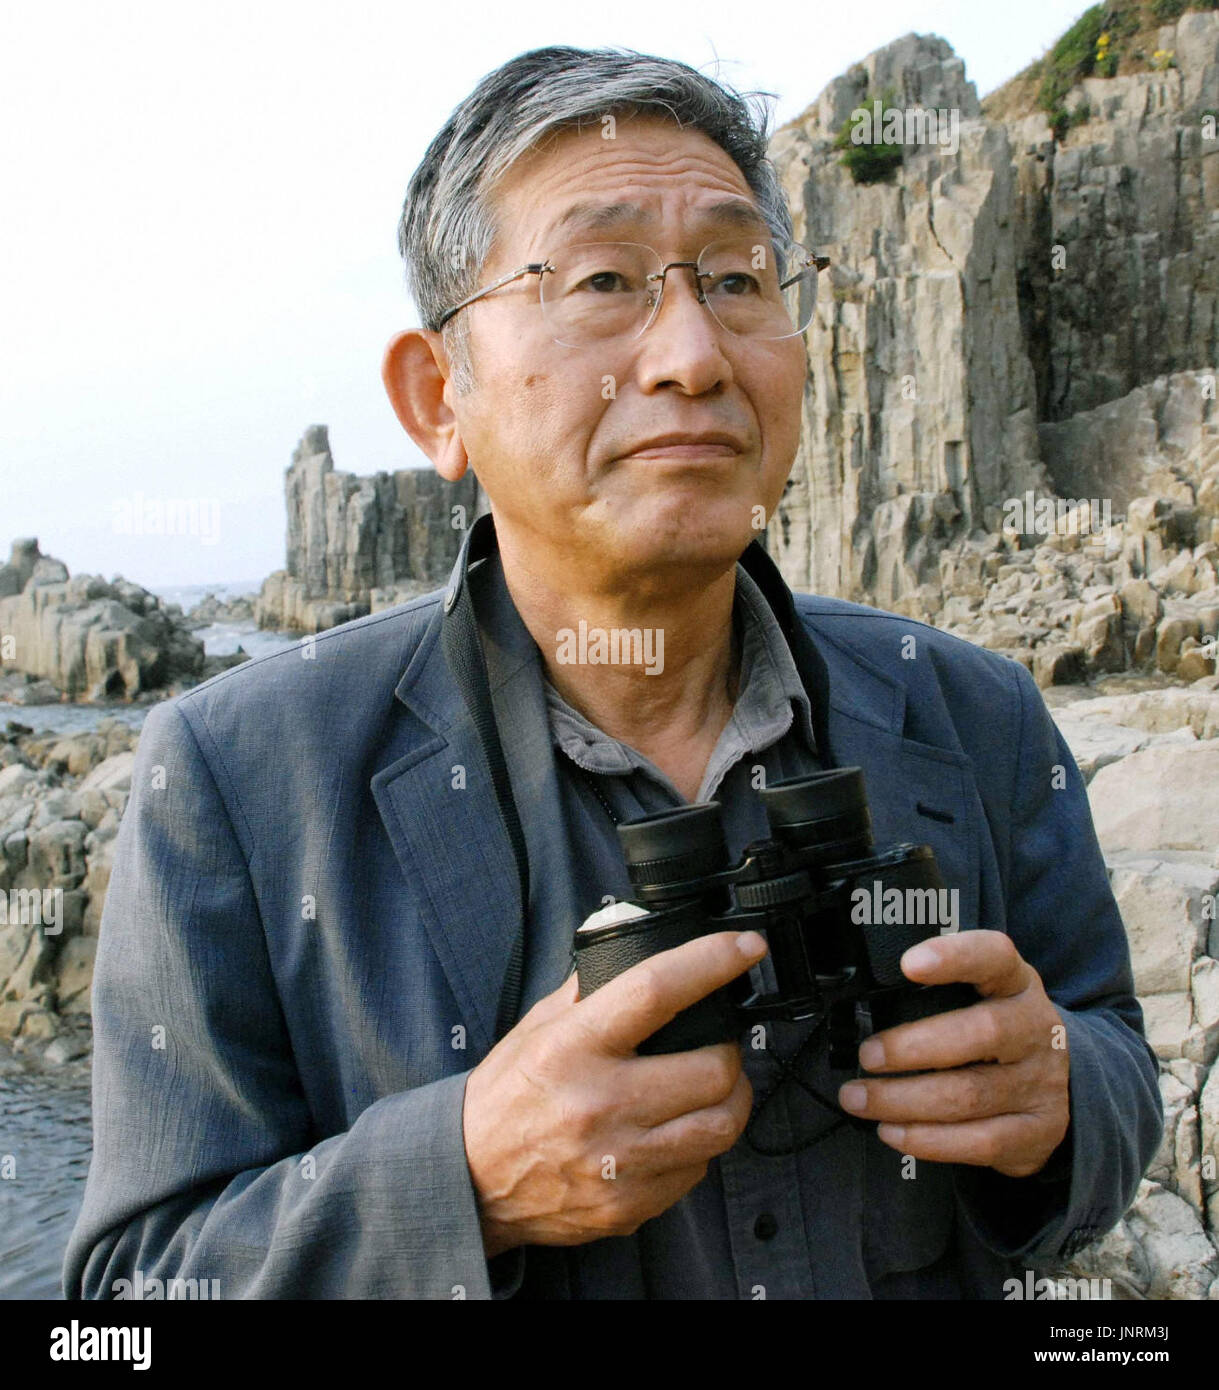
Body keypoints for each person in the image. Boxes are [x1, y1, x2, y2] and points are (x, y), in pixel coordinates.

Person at [64, 45, 1162, 1301]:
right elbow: (131, 1299)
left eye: (739, 277)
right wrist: (462, 1179)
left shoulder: (975, 714)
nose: (692, 353)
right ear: (439, 401)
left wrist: (1058, 1099)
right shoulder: (237, 780)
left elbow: (1113, 1052)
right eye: (601, 278)